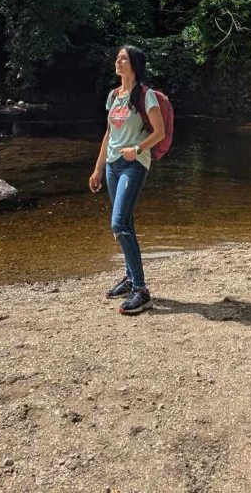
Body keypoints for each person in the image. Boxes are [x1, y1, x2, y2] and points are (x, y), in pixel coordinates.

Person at [89, 44, 165, 314]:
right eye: (117, 58)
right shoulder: (113, 96)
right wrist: (98, 169)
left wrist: (138, 149)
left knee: (119, 222)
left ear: (134, 64)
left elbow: (159, 132)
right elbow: (109, 134)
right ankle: (131, 278)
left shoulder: (146, 95)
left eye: (123, 58)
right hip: (112, 165)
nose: (118, 61)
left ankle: (141, 291)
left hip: (134, 164)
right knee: (126, 222)